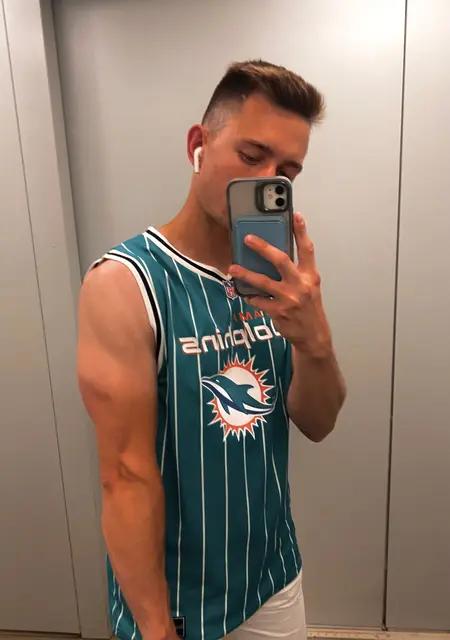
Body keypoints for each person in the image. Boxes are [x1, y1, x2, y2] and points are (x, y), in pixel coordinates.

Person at [77, 59, 346, 640]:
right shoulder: (125, 285)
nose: (268, 181)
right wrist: (156, 628)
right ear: (197, 145)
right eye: (252, 156)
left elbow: (319, 422)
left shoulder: (281, 284)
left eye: (287, 172)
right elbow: (125, 477)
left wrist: (315, 338)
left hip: (274, 577)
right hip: (175, 598)